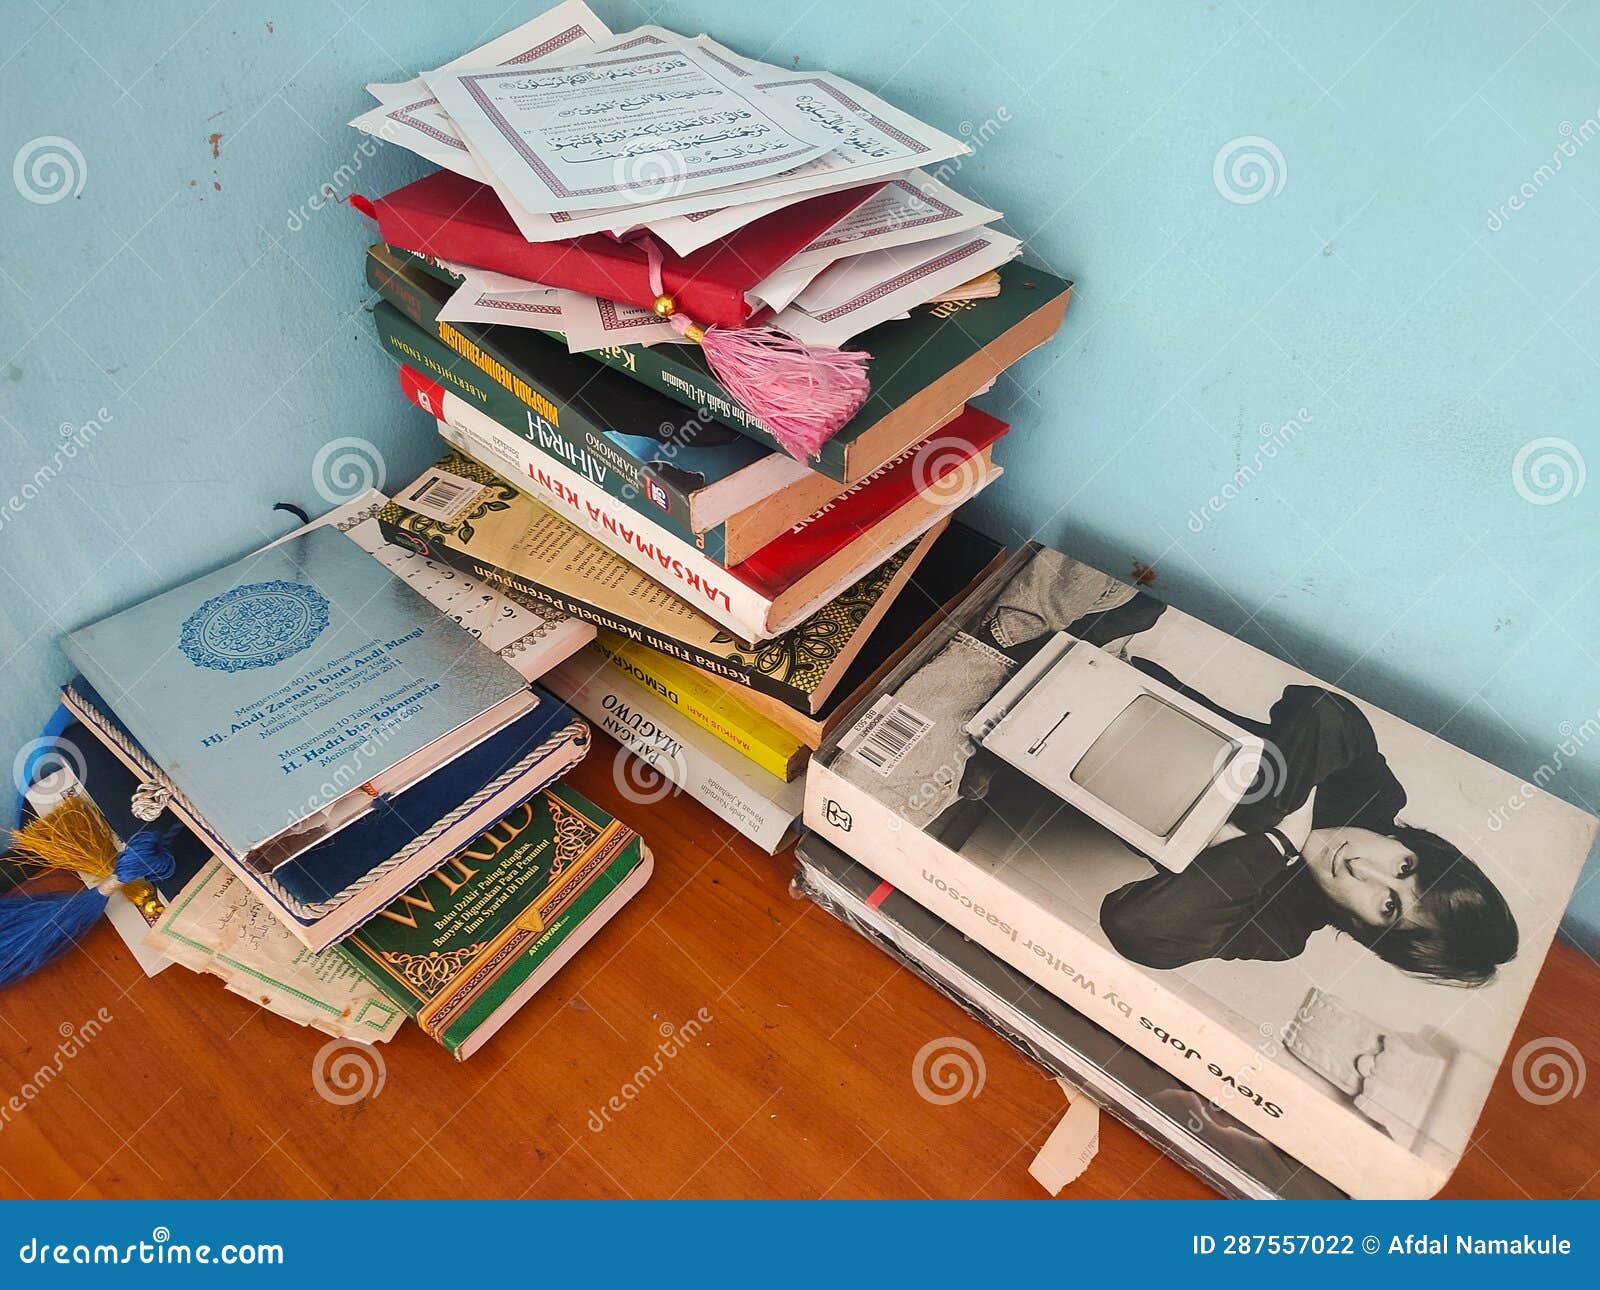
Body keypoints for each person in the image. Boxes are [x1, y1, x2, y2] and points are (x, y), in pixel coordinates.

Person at [1098, 676, 1518, 987]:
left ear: (1362, 927)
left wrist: (1276, 846)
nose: (1362, 869)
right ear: (1404, 842)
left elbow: (1139, 927)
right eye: (1405, 867)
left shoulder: (1283, 929)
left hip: (1071, 759)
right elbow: (1321, 710)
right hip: (1113, 681)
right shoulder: (1373, 794)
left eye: (1388, 906)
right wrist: (1256, 822)